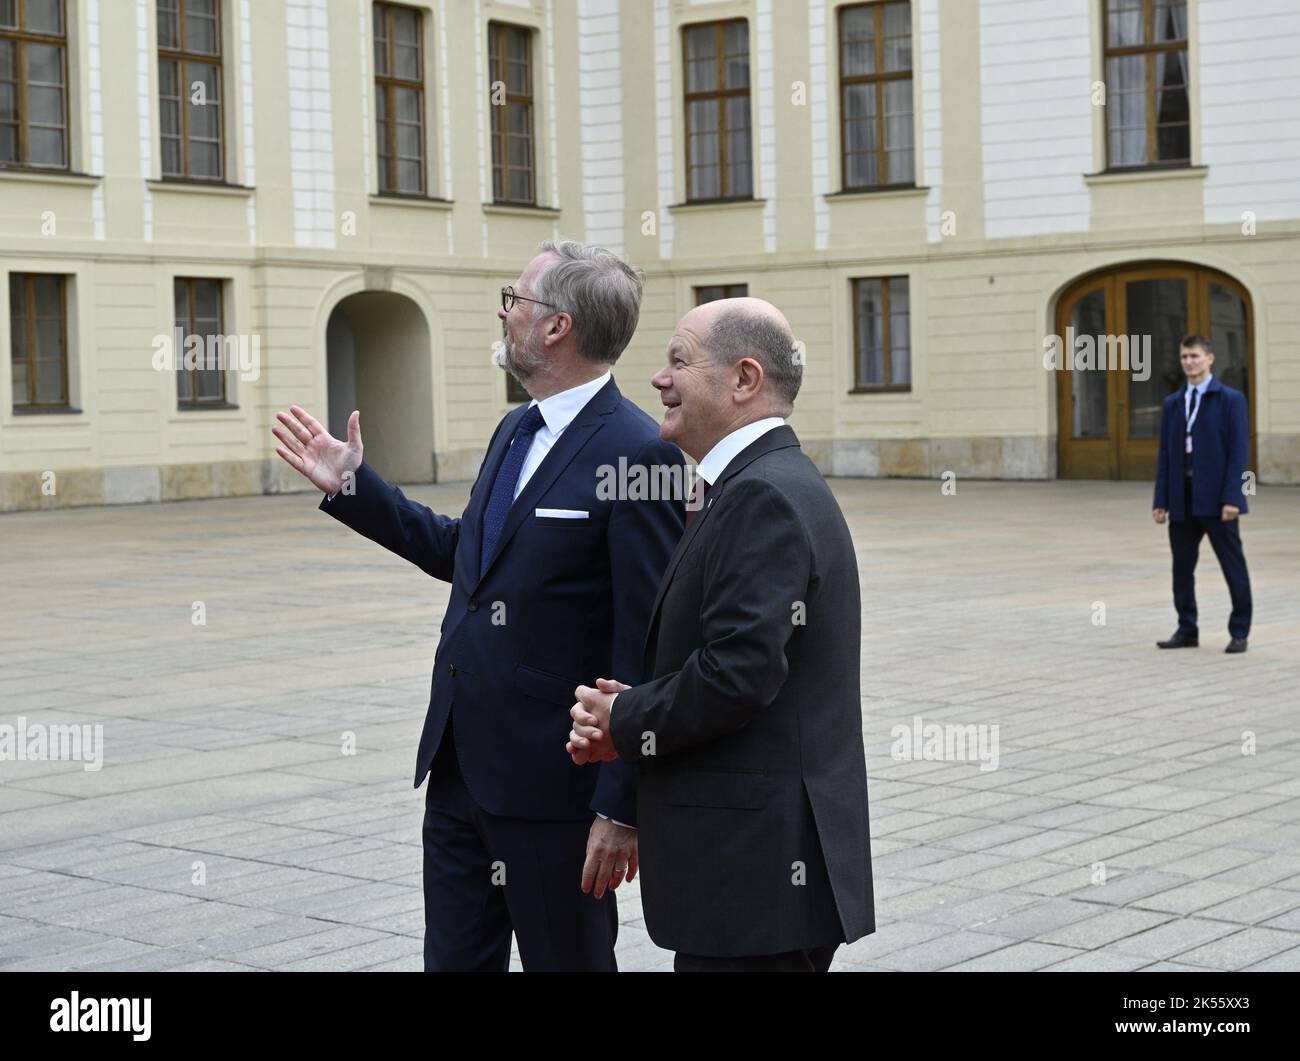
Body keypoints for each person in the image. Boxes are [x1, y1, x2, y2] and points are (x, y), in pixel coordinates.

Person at [272, 241, 685, 970]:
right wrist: (352, 488)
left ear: (557, 326)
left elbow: (647, 643)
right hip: (461, 768)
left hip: (556, 791)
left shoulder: (638, 452)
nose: (503, 312)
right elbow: (470, 556)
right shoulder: (515, 427)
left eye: (514, 300)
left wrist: (621, 807)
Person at [566, 297, 874, 971]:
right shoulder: (752, 482)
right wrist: (636, 704)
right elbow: (734, 656)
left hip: (756, 878)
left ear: (744, 379)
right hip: (756, 877)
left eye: (679, 360)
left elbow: (738, 675)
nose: (658, 378)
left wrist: (626, 716)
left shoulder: (761, 494)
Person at [1153, 334, 1252, 654]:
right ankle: (1186, 629)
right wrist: (1161, 500)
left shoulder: (1230, 399)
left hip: (1217, 499)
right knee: (1181, 568)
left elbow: (1239, 453)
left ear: (1210, 359)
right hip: (1182, 497)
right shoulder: (1173, 403)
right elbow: (1166, 455)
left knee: (1232, 565)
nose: (1188, 362)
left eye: (1194, 356)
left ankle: (1239, 631)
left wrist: (1234, 498)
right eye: (1184, 357)